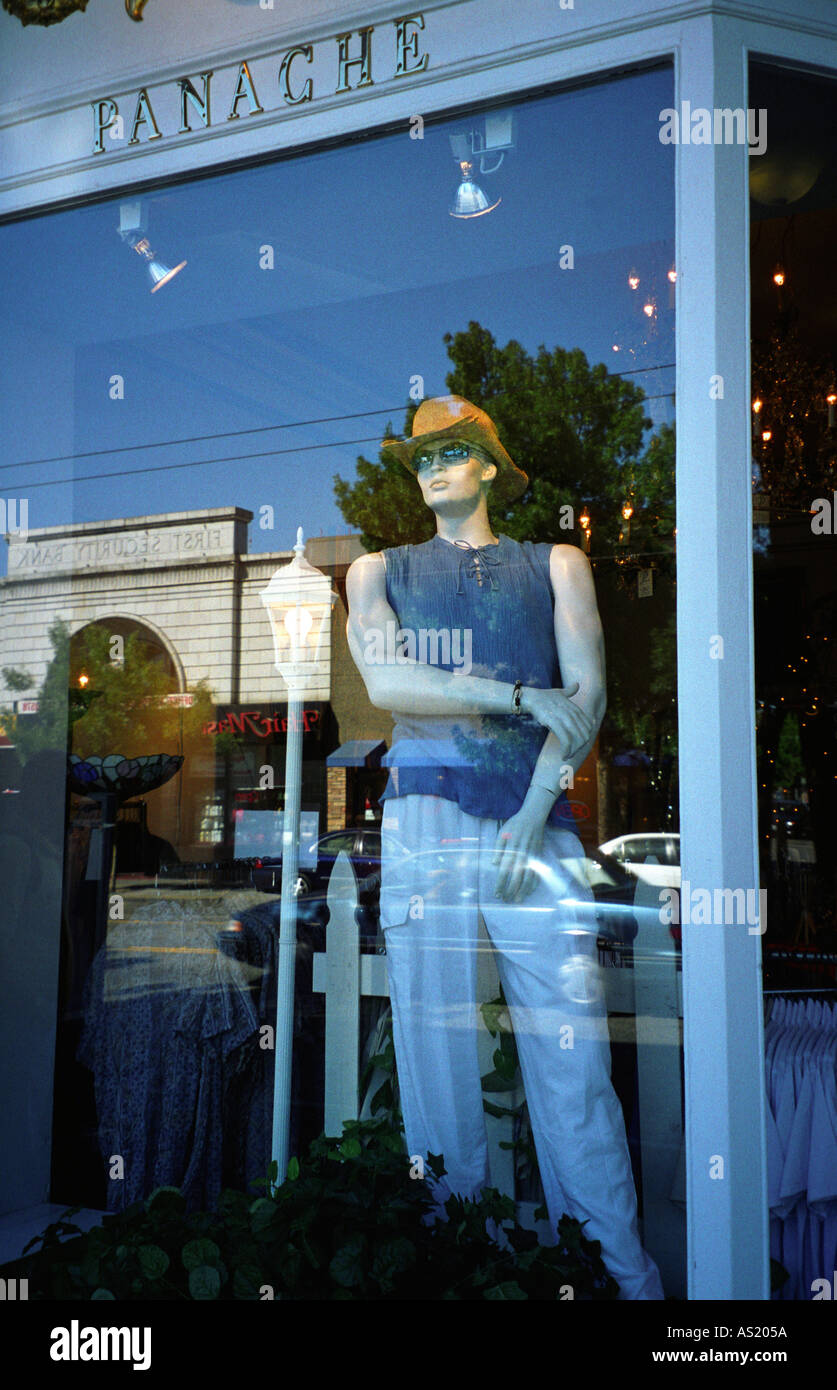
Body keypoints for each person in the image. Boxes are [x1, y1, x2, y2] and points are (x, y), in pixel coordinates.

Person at [345, 395, 663, 1299]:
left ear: (489, 465)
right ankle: (459, 1263)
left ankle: (619, 1277)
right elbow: (385, 680)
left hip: (538, 822)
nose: (432, 469)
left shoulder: (558, 562)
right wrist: (519, 699)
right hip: (426, 819)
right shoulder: (376, 570)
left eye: (452, 452)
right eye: (420, 458)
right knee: (433, 1049)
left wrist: (533, 807)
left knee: (572, 1056)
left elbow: (589, 694)